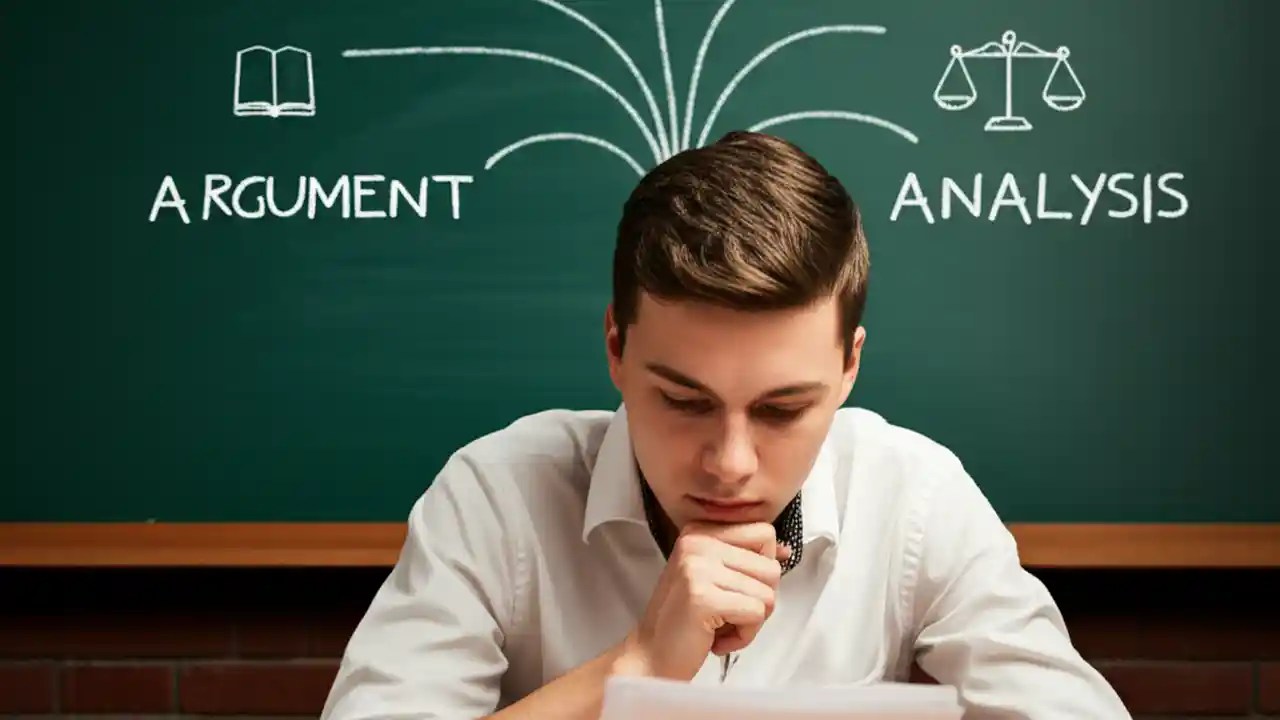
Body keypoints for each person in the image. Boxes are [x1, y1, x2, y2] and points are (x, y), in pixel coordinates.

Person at [319, 131, 1131, 719]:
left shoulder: (916, 495)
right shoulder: (495, 496)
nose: (731, 464)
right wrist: (636, 668)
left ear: (850, 366)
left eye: (782, 409)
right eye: (684, 401)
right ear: (615, 348)